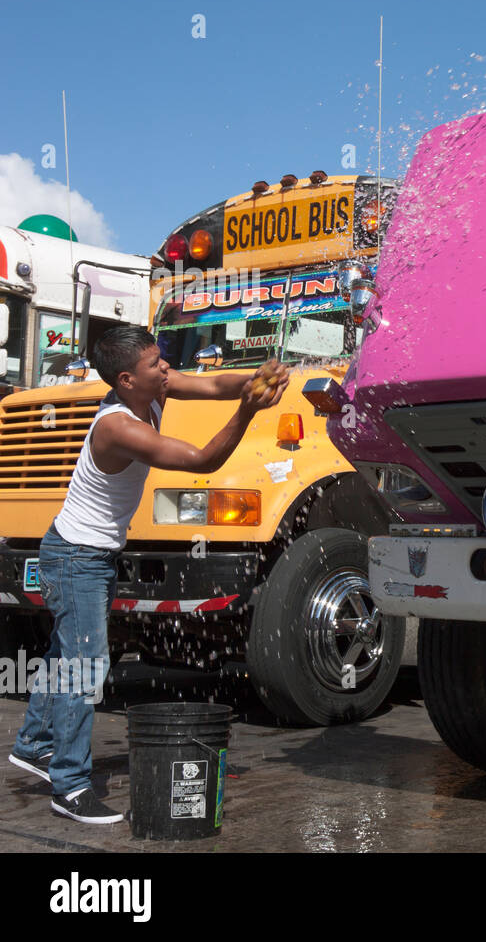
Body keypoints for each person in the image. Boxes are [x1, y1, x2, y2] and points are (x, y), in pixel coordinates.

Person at [7, 326, 288, 824]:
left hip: (85, 555)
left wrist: (255, 381)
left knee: (65, 654)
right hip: (76, 559)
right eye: (156, 365)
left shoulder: (150, 387)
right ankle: (69, 786)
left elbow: (213, 386)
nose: (166, 370)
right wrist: (249, 410)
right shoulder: (118, 427)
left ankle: (32, 745)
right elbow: (203, 459)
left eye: (162, 361)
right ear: (125, 379)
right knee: (84, 667)